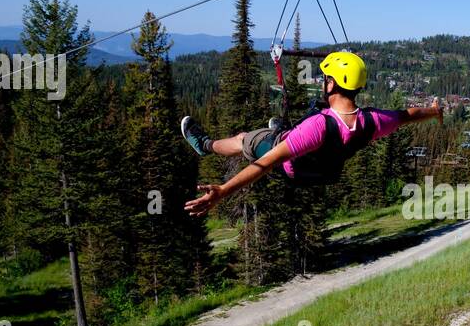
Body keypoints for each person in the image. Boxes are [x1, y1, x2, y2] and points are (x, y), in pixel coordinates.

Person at [181, 50, 442, 216]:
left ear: (332, 84)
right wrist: (433, 111)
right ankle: (286, 135)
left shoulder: (319, 126)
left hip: (291, 166)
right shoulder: (372, 121)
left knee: (242, 139)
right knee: (298, 133)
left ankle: (204, 144)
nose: (323, 82)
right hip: (322, 172)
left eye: (326, 78)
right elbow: (407, 115)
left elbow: (265, 164)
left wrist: (223, 191)